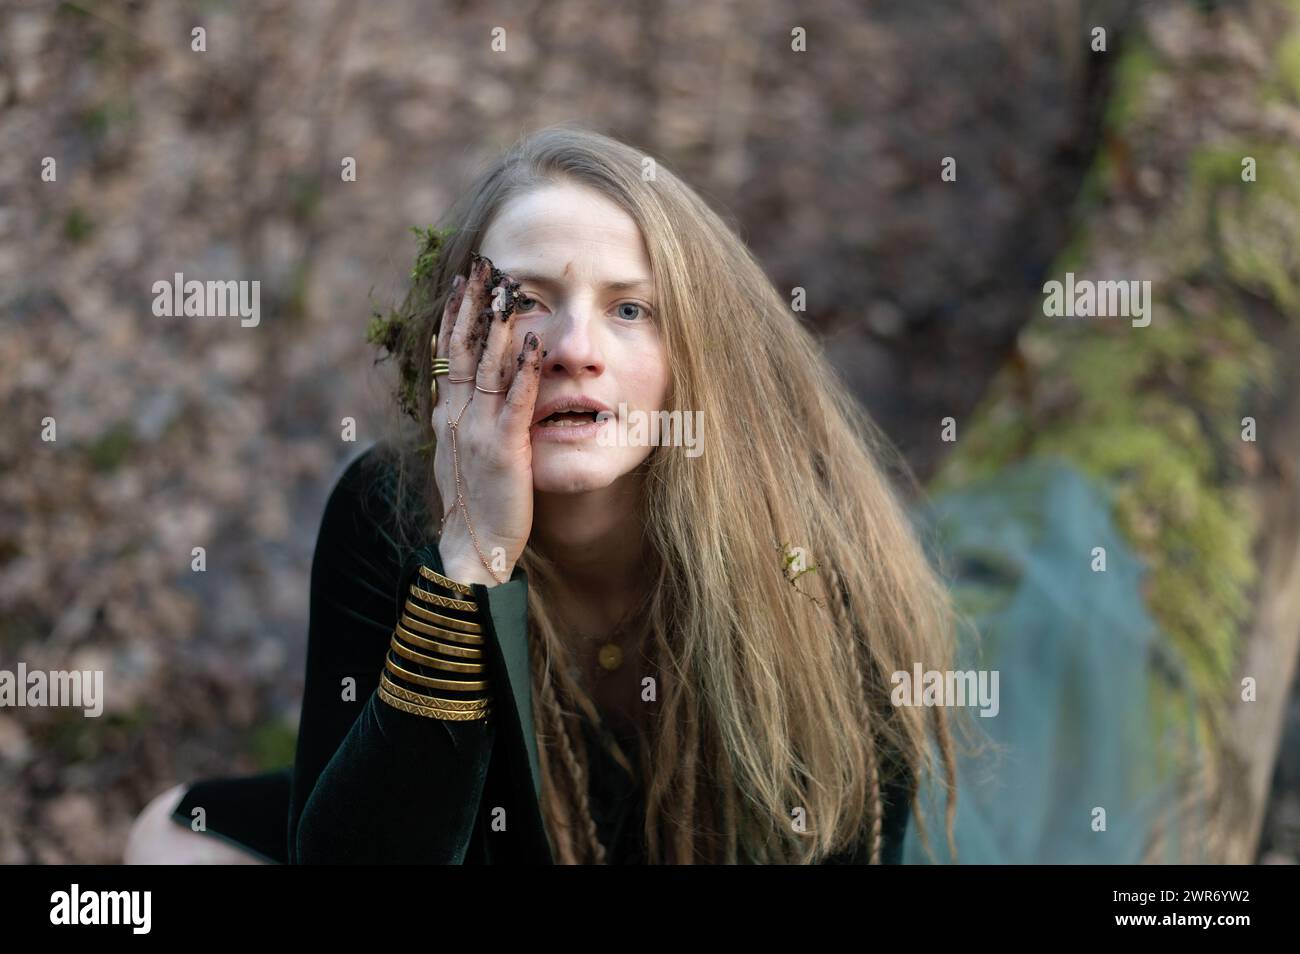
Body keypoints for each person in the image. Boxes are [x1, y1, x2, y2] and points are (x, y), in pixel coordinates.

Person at [126, 124, 959, 864]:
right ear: (455, 337)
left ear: (696, 350)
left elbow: (845, 837)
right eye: (523, 301)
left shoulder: (809, 537)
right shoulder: (386, 504)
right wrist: (471, 559)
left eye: (630, 309)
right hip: (482, 828)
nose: (573, 348)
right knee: (175, 836)